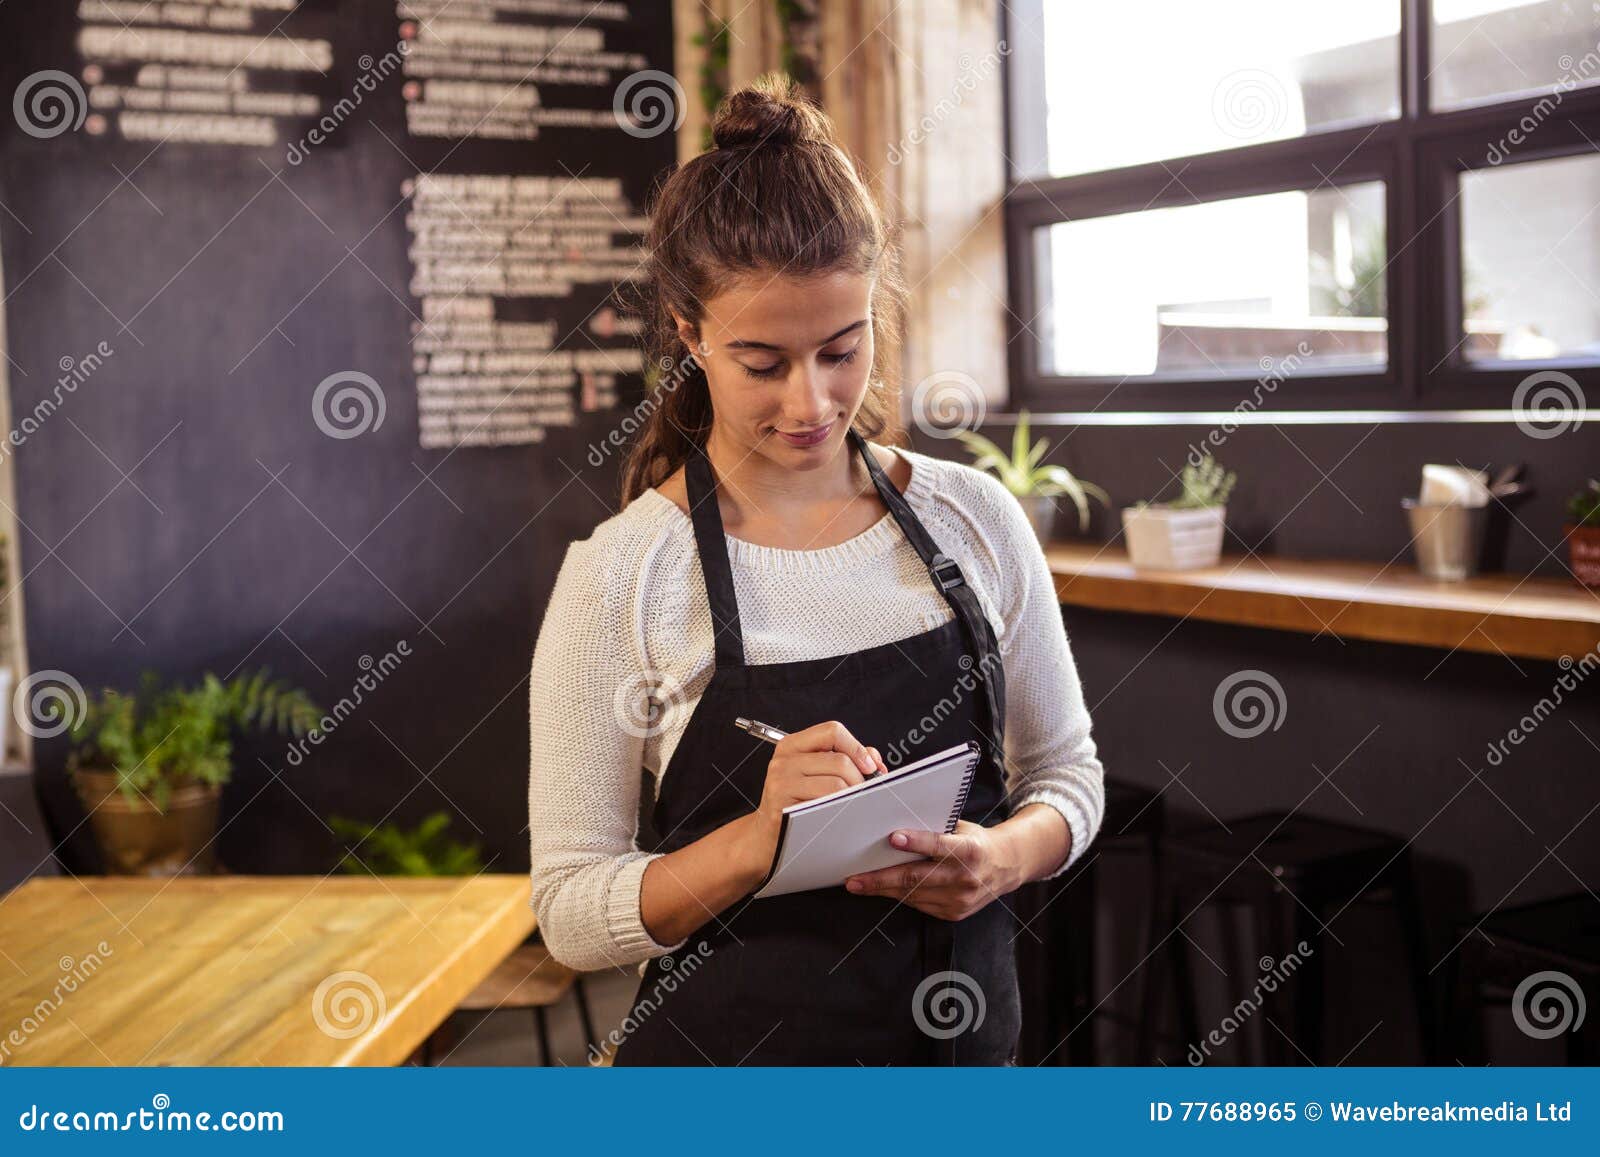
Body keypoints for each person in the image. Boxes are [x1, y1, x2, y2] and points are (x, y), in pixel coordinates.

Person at [528, 74, 1105, 1065]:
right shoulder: (624, 574)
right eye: (762, 361)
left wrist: (1001, 858)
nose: (811, 399)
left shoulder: (973, 519)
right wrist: (761, 837)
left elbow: (1066, 774)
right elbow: (570, 913)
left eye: (841, 349)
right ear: (687, 334)